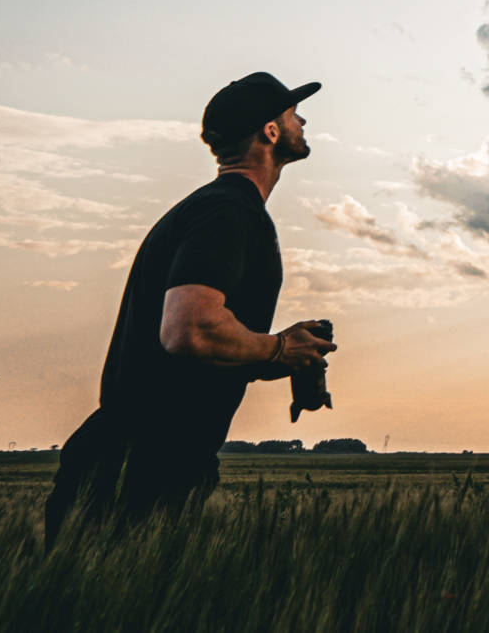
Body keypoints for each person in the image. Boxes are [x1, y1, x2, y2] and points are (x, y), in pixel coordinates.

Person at [44, 72, 339, 541]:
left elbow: (199, 349)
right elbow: (190, 331)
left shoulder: (210, 209)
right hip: (145, 463)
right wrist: (278, 348)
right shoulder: (229, 213)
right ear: (270, 131)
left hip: (136, 454)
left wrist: (290, 353)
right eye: (291, 112)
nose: (301, 119)